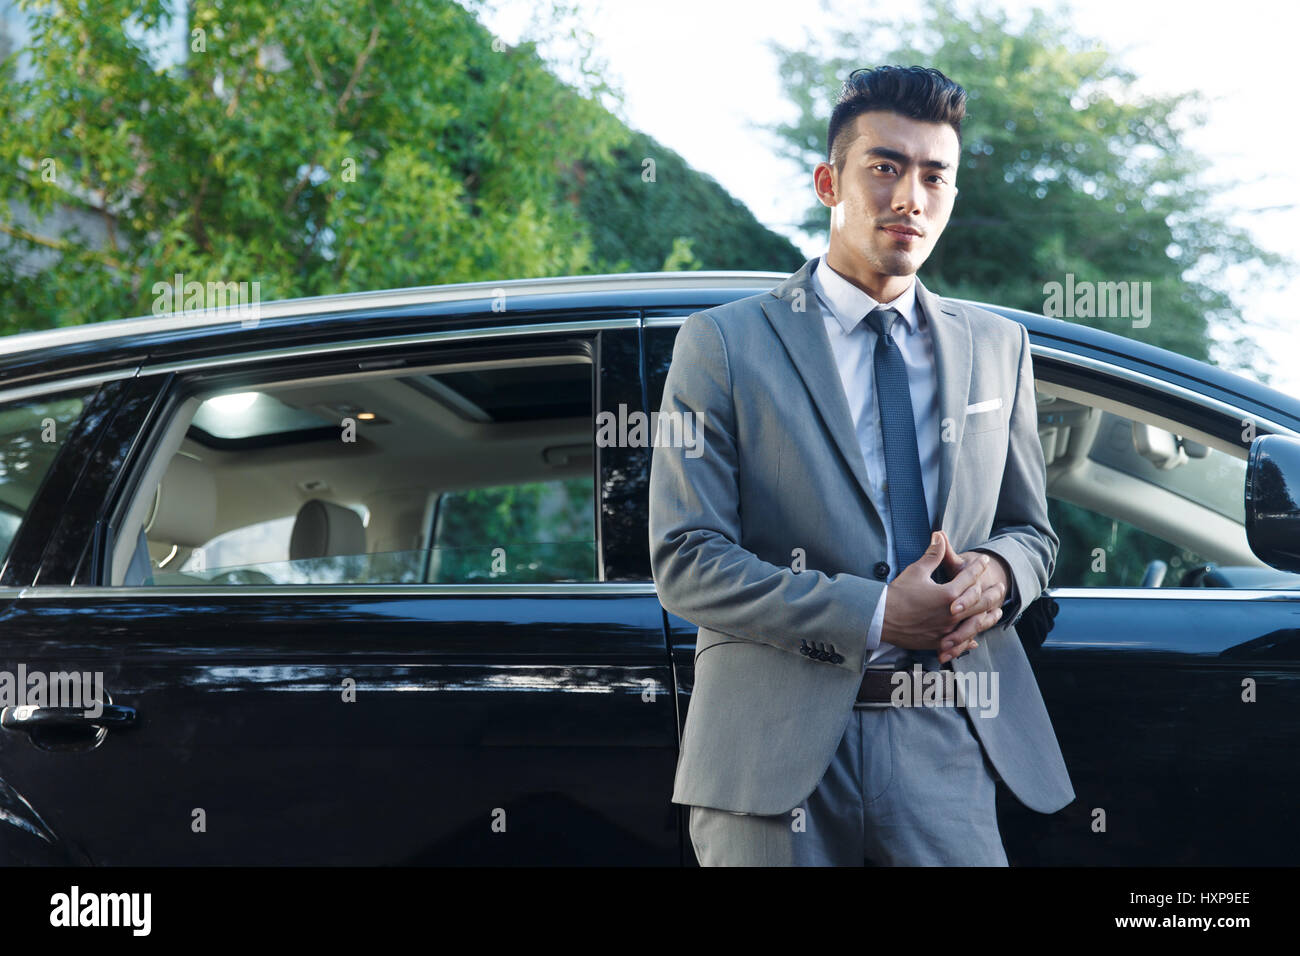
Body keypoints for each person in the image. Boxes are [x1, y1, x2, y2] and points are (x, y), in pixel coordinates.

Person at [648, 65, 1074, 866]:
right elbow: (686, 561)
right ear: (827, 182)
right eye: (884, 167)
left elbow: (1032, 532)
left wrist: (1000, 570)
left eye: (933, 175)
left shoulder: (998, 347)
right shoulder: (725, 344)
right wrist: (877, 614)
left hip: (949, 742)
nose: (910, 197)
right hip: (771, 763)